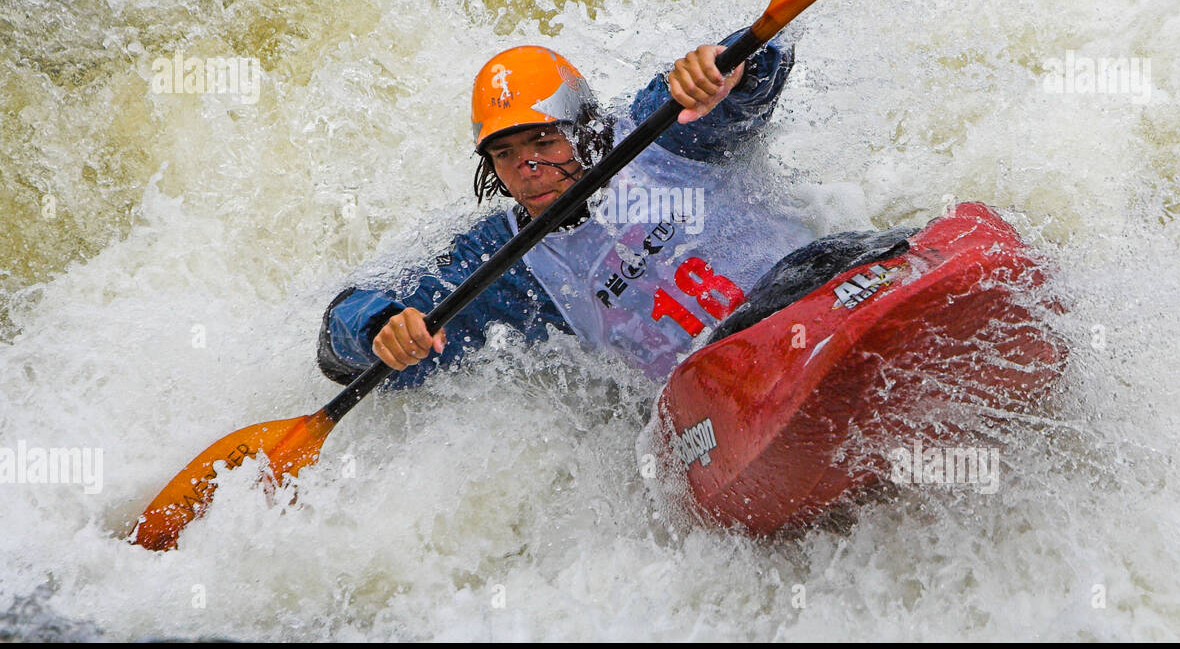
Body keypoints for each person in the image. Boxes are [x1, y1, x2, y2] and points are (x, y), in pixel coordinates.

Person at [317, 29, 819, 387]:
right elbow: (339, 344)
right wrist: (377, 329)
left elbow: (767, 56)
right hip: (725, 393)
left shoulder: (662, 127)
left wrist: (728, 67)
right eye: (505, 155)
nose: (526, 168)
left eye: (543, 141)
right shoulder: (508, 265)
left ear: (584, 128)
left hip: (816, 290)